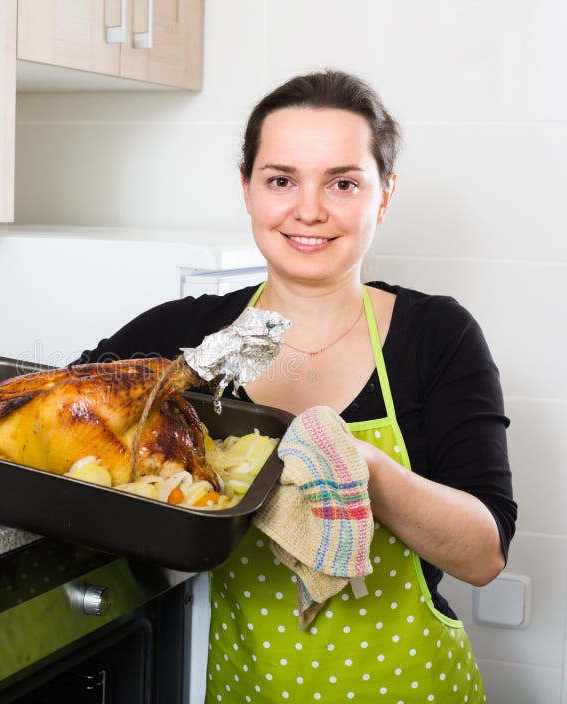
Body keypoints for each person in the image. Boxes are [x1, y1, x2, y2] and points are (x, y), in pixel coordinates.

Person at [75, 70, 515, 703]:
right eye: (281, 180)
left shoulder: (437, 336)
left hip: (414, 688)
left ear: (384, 195)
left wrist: (361, 467)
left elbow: (484, 557)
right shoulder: (191, 336)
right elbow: (67, 408)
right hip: (250, 689)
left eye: (342, 183)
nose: (309, 210)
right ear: (248, 190)